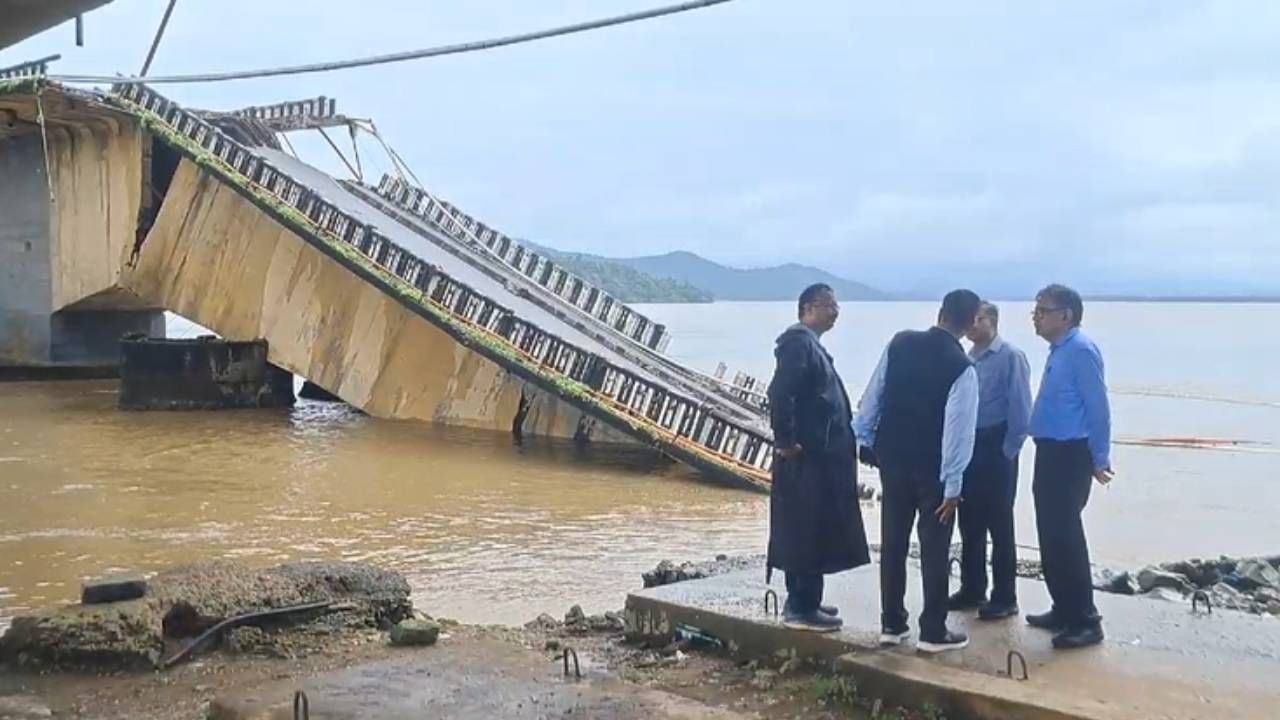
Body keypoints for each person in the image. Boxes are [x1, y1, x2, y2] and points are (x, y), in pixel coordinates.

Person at [854, 290, 981, 653]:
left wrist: (865, 439)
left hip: (893, 461)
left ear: (940, 313)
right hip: (934, 471)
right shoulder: (962, 367)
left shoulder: (900, 343)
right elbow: (959, 431)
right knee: (934, 548)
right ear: (972, 323)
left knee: (893, 543)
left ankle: (891, 624)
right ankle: (933, 630)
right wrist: (954, 484)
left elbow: (872, 396)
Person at [766, 283, 871, 632]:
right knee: (806, 529)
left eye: (836, 305)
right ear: (809, 308)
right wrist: (786, 441)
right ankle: (799, 606)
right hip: (805, 459)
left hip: (820, 458)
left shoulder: (811, 345)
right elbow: (781, 393)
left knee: (815, 527)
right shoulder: (798, 343)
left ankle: (808, 599)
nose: (836, 312)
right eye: (829, 305)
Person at [1026, 284, 1112, 649]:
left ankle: (1086, 620)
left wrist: (1100, 457)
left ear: (1066, 315)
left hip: (1070, 454)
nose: (1036, 316)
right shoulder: (1058, 351)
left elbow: (1098, 408)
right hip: (1049, 451)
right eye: (1035, 309)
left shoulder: (1080, 350)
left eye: (1043, 310)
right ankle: (1063, 607)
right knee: (1050, 534)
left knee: (1067, 537)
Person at [948, 302, 1032, 620]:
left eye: (979, 319)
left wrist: (1009, 450)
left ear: (993, 322)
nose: (972, 324)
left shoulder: (1010, 357)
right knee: (969, 523)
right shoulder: (966, 359)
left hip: (997, 445)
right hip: (970, 446)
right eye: (970, 318)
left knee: (1000, 525)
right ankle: (972, 589)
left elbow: (1021, 408)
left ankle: (1005, 596)